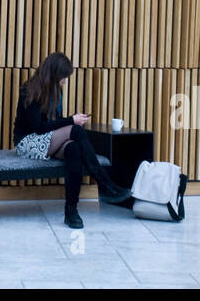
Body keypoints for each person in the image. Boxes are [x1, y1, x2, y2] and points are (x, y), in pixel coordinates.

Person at [13, 51, 134, 228]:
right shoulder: (30, 90)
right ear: (55, 74)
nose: (66, 81)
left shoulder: (55, 92)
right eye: (64, 77)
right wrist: (71, 121)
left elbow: (54, 125)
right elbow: (39, 128)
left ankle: (71, 211)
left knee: (74, 150)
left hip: (47, 142)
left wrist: (69, 122)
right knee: (75, 130)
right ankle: (105, 183)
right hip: (27, 142)